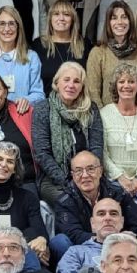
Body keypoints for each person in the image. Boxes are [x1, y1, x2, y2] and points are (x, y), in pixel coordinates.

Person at [52, 151, 137, 258]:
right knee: (59, 241)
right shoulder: (64, 201)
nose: (85, 175)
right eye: (78, 171)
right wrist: (113, 238)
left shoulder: (117, 193)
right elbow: (74, 235)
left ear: (100, 171)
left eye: (90, 169)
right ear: (73, 175)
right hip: (84, 253)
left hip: (120, 251)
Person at [32, 61, 104, 206]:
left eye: (77, 81)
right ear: (57, 82)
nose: (71, 85)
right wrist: (68, 181)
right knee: (72, 202)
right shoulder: (42, 109)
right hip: (54, 180)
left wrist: (87, 176)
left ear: (82, 87)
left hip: (89, 176)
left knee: (110, 198)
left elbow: (96, 147)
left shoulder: (91, 109)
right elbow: (42, 153)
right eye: (66, 80)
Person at [56, 197, 137, 273]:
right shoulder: (75, 252)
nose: (107, 218)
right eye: (101, 214)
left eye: (113, 214)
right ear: (92, 223)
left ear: (122, 221)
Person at [100, 63, 137, 200]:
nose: (126, 86)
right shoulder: (104, 114)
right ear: (115, 86)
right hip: (112, 179)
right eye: (121, 82)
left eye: (131, 81)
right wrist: (121, 178)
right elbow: (103, 153)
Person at [86, 0, 137, 108]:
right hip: (106, 118)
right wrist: (102, 118)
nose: (120, 22)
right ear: (108, 23)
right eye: (114, 18)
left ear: (130, 21)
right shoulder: (97, 53)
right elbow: (93, 92)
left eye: (124, 17)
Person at [30, 0, 87, 97]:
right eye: (56, 14)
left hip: (78, 104)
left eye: (66, 14)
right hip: (46, 104)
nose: (61, 18)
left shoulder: (84, 44)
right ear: (50, 19)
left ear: (73, 19)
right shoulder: (38, 45)